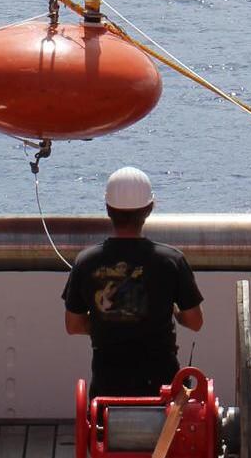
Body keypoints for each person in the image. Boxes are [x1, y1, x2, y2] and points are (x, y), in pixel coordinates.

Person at [63, 166, 204, 398]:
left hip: (107, 388)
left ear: (108, 209)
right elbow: (195, 321)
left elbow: (73, 325)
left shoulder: (85, 261)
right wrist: (174, 313)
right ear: (150, 209)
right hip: (162, 388)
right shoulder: (172, 260)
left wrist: (106, 321)